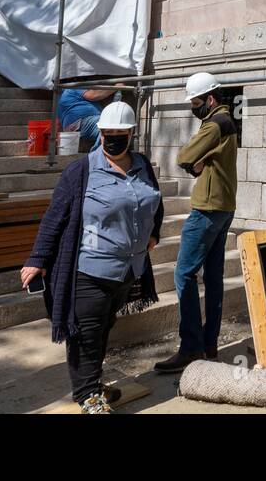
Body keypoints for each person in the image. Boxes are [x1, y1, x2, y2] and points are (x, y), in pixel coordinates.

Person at [22, 101, 163, 413]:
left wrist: (155, 234)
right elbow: (54, 217)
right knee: (86, 334)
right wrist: (37, 259)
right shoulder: (80, 171)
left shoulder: (142, 165)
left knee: (103, 328)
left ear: (131, 135)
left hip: (129, 269)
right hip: (90, 269)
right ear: (99, 134)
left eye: (120, 133)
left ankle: (92, 385)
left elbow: (154, 201)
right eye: (107, 133)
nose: (112, 138)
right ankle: (87, 395)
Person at [154, 71, 238, 374]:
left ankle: (191, 347)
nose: (194, 106)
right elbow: (198, 161)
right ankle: (209, 343)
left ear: (210, 98)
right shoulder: (225, 121)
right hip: (224, 206)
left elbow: (184, 156)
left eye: (196, 101)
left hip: (207, 208)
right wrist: (198, 163)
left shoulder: (214, 124)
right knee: (213, 277)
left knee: (184, 275)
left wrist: (194, 162)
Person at [56, 84, 116, 153]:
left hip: (78, 126)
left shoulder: (62, 97)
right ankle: (96, 155)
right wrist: (115, 87)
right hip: (81, 123)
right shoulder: (73, 88)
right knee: (108, 123)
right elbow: (93, 95)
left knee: (110, 126)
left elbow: (58, 122)